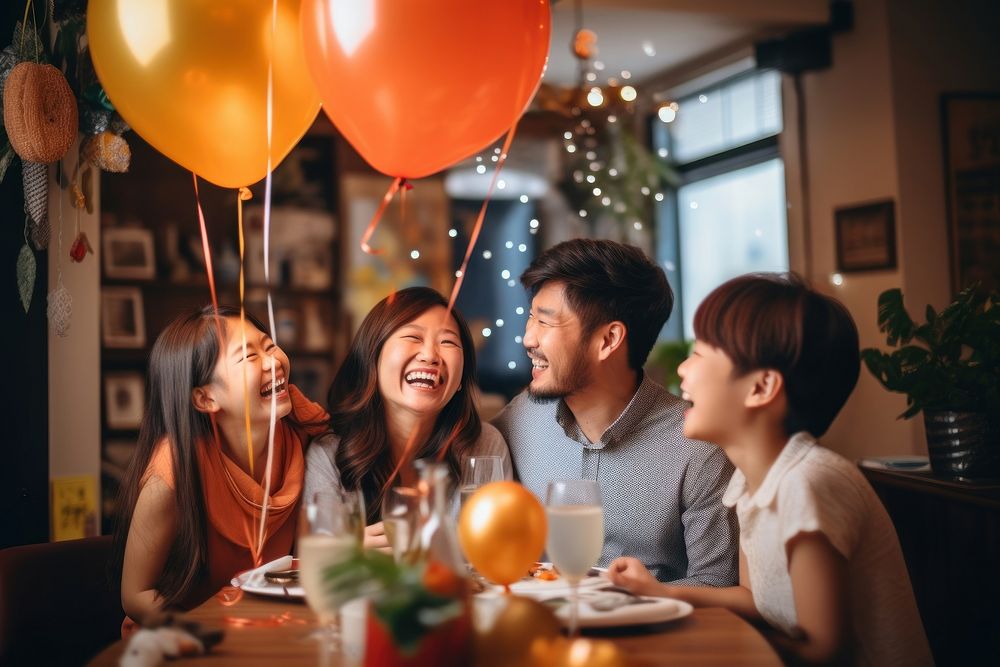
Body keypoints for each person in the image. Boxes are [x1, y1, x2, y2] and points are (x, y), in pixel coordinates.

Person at [607, 274, 932, 666]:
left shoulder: (808, 483)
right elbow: (755, 601)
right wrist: (661, 592)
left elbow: (824, 650)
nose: (683, 370)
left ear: (761, 387)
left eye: (701, 353)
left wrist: (708, 648)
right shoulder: (750, 481)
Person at [492, 238, 737, 585]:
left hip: (651, 634)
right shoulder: (517, 421)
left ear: (608, 340)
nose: (528, 339)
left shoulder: (698, 447)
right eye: (531, 318)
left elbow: (716, 584)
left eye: (545, 322)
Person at [111, 306, 329, 623]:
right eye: (249, 357)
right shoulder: (175, 466)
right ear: (205, 398)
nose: (274, 362)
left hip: (270, 629)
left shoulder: (301, 433)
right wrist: (210, 632)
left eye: (269, 346)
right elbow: (135, 596)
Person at [304, 286, 510, 550]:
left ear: (461, 379)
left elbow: (495, 554)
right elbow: (317, 562)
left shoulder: (484, 448)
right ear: (372, 360)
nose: (430, 355)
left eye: (447, 342)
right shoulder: (329, 454)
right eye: (413, 337)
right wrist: (344, 554)